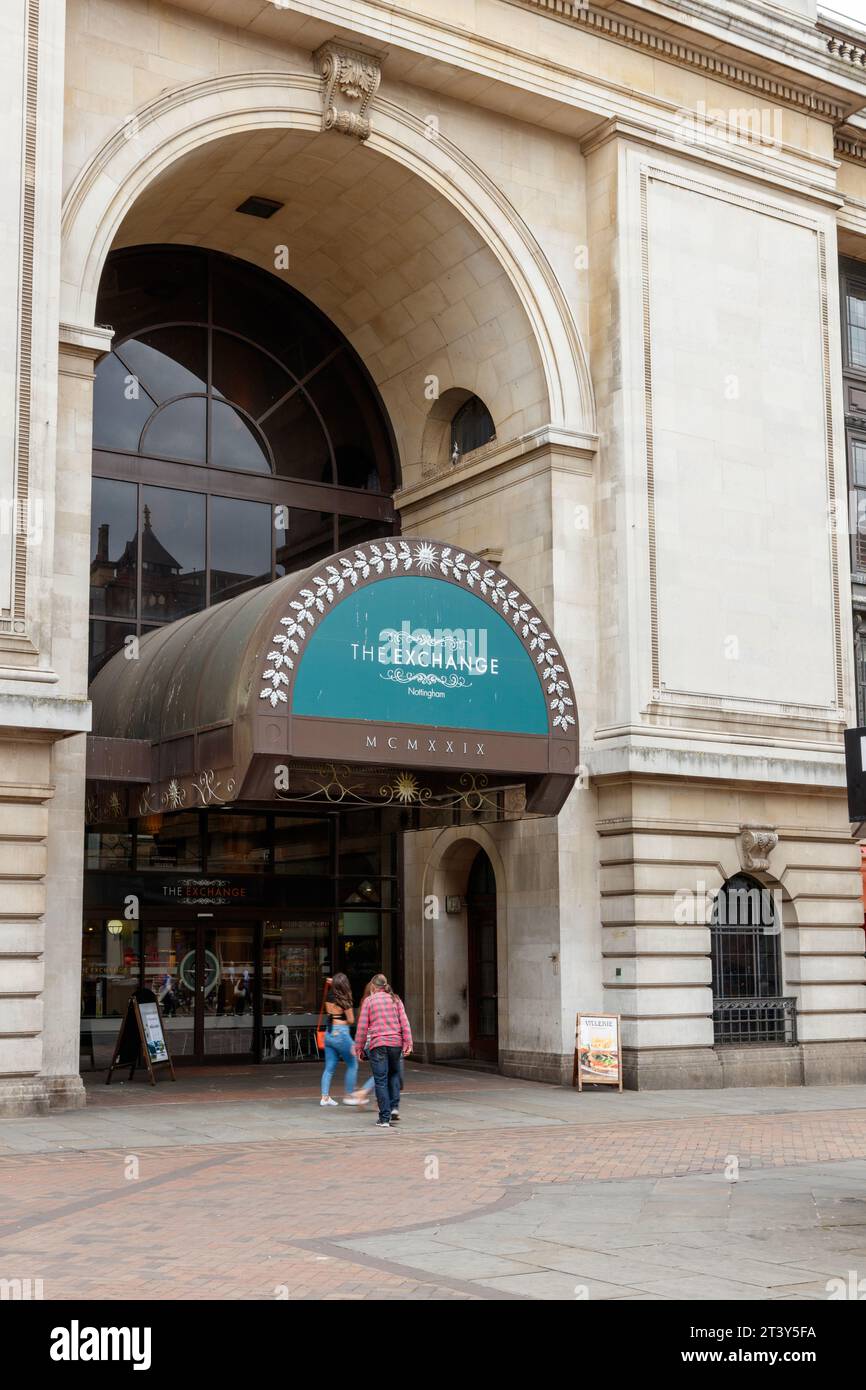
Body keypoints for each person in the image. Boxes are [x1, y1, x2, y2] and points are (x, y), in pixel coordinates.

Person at [353, 974, 412, 1128]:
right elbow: (404, 1023)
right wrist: (408, 1043)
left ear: (373, 986)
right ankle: (393, 1108)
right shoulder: (396, 999)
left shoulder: (369, 1001)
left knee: (380, 1080)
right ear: (385, 985)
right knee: (393, 1075)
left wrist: (358, 1047)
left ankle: (384, 1118)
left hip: (378, 1044)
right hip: (395, 1044)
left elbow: (362, 1027)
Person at [319, 973, 363, 1107]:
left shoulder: (329, 996)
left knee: (329, 1068)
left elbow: (330, 1014)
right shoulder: (345, 1000)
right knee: (352, 1064)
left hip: (329, 1033)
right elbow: (351, 1020)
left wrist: (333, 982)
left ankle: (324, 1097)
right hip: (341, 1034)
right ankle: (349, 1095)